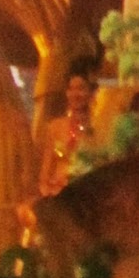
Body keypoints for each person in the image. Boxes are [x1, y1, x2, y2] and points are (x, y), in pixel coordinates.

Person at [38, 69, 97, 197]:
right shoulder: (55, 127)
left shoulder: (97, 126)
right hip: (58, 196)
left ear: (91, 93)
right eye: (71, 89)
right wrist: (46, 190)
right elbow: (46, 169)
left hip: (88, 194)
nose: (75, 94)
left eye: (81, 89)